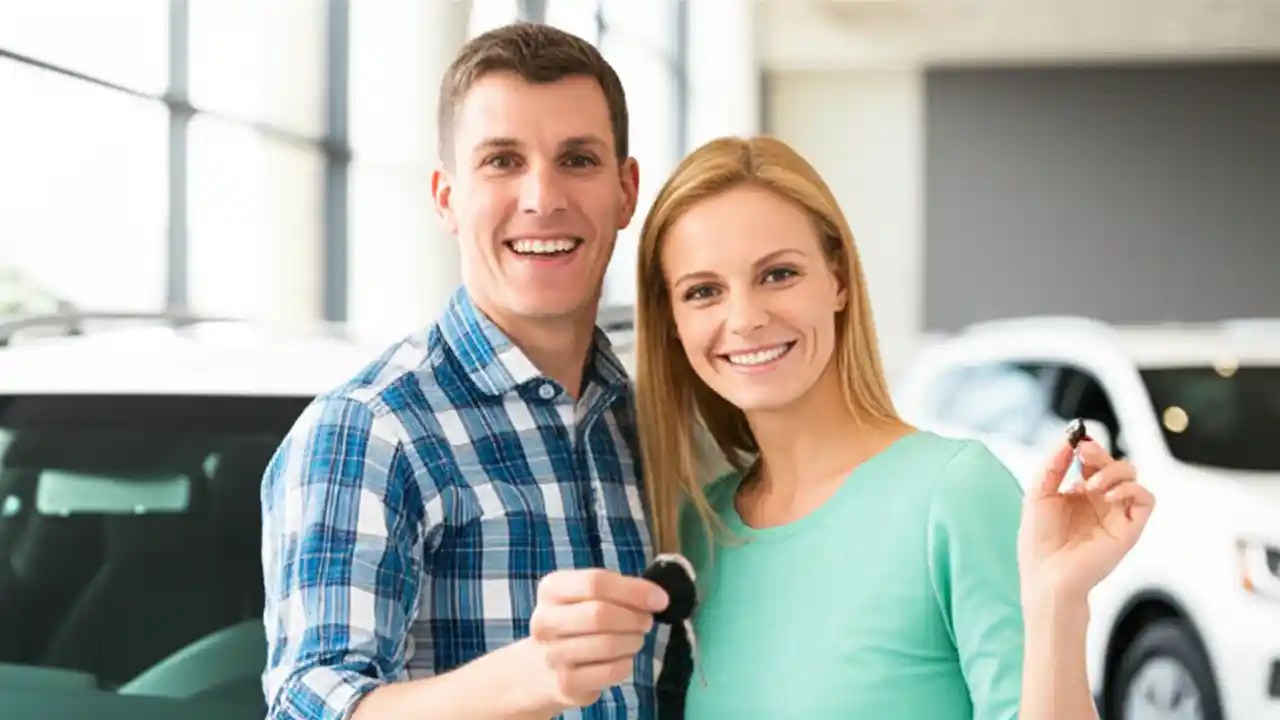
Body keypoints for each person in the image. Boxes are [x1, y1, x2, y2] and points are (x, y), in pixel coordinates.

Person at [633, 136, 1155, 718]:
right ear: (673, 322)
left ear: (838, 282)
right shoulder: (695, 532)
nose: (746, 318)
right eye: (703, 291)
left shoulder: (954, 494)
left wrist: (1059, 601)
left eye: (778, 274)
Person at [260, 23, 671, 720]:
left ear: (626, 191)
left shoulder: (642, 429)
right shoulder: (373, 428)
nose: (542, 197)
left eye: (577, 159)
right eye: (503, 161)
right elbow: (314, 707)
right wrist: (530, 677)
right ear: (446, 197)